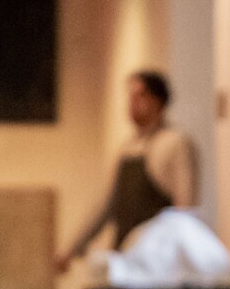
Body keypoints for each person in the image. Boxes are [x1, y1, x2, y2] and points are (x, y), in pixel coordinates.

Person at [54, 70, 199, 271]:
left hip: (157, 264)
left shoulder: (175, 144)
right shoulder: (127, 147)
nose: (131, 103)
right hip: (125, 258)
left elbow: (185, 211)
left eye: (139, 96)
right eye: (130, 96)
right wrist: (72, 248)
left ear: (157, 101)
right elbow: (108, 205)